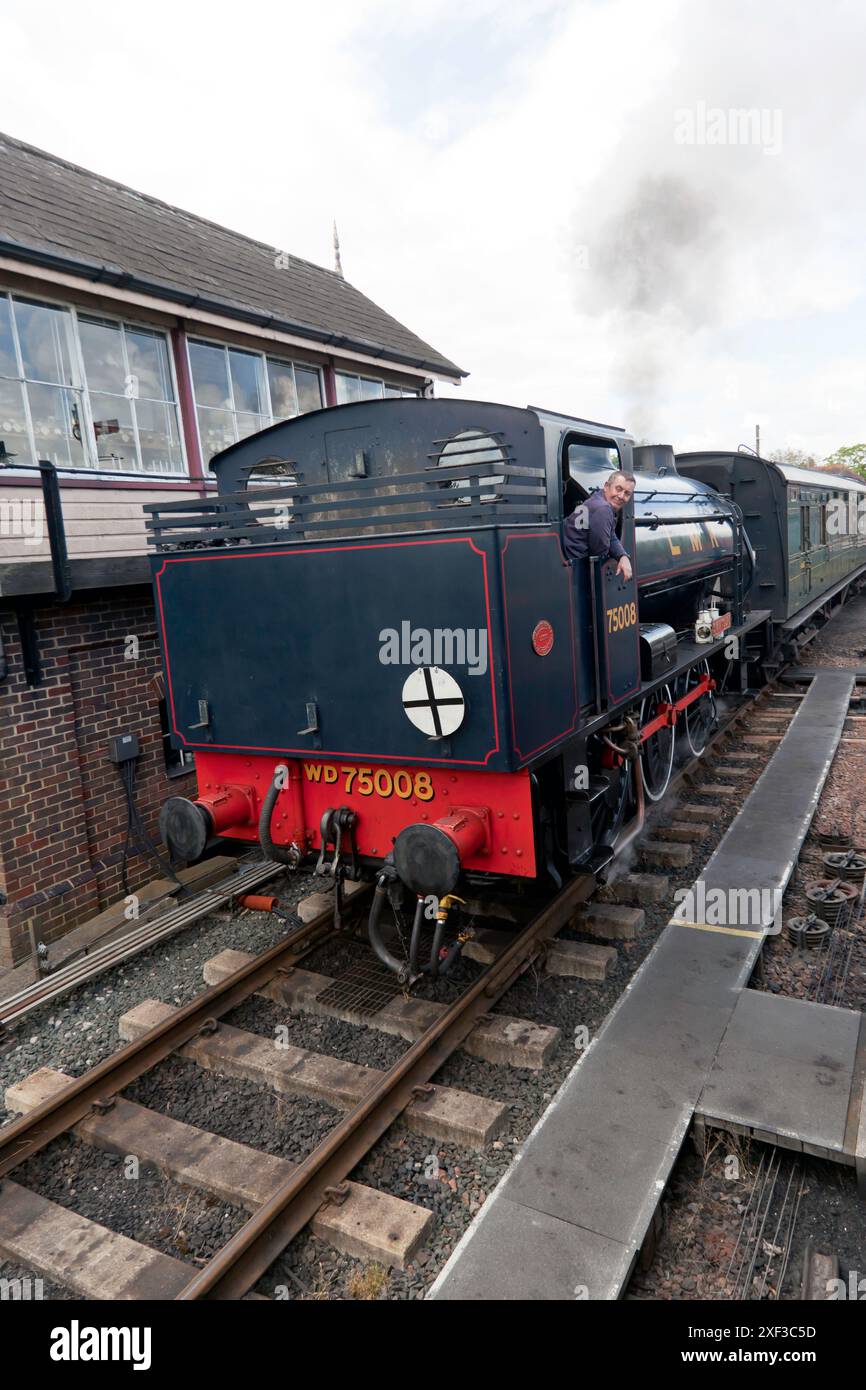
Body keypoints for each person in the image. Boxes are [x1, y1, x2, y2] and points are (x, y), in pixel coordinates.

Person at [563, 470, 635, 581]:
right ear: (606, 486)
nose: (621, 496)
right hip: (575, 568)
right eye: (618, 489)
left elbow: (610, 535)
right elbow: (600, 550)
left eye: (627, 493)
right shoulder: (603, 508)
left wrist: (623, 556)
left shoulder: (597, 499)